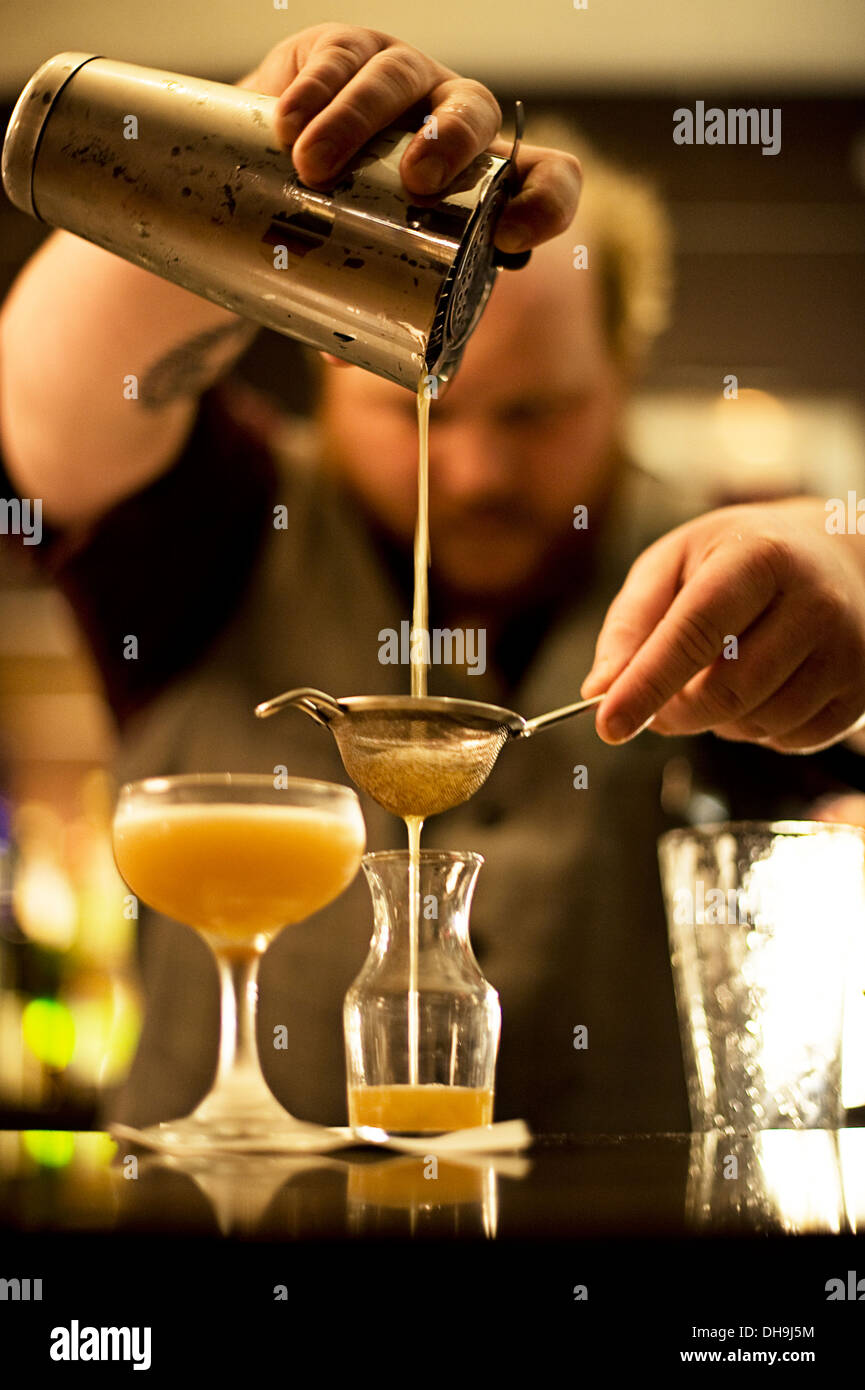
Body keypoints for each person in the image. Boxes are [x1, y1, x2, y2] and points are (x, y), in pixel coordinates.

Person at [2, 23, 865, 1133]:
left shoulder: (721, 569)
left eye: (535, 412)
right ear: (328, 348)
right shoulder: (212, 520)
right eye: (422, 408)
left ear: (624, 362)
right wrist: (259, 167)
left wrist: (841, 558)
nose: (473, 471)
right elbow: (47, 395)